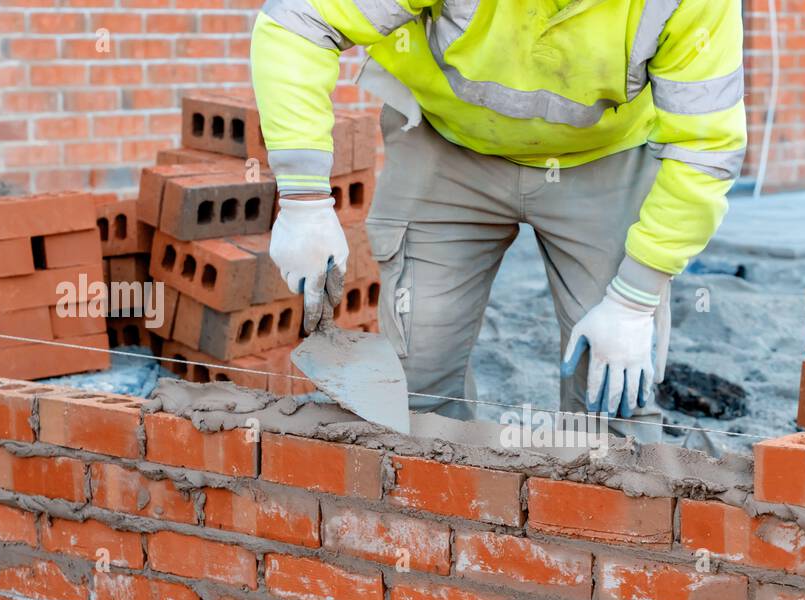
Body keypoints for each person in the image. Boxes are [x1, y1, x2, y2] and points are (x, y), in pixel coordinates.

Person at [251, 0, 745, 425]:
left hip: (606, 158)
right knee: (416, 387)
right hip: (446, 143)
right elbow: (298, 23)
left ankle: (596, 526)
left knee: (613, 395)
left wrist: (636, 298)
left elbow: (706, 149)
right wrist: (303, 200)